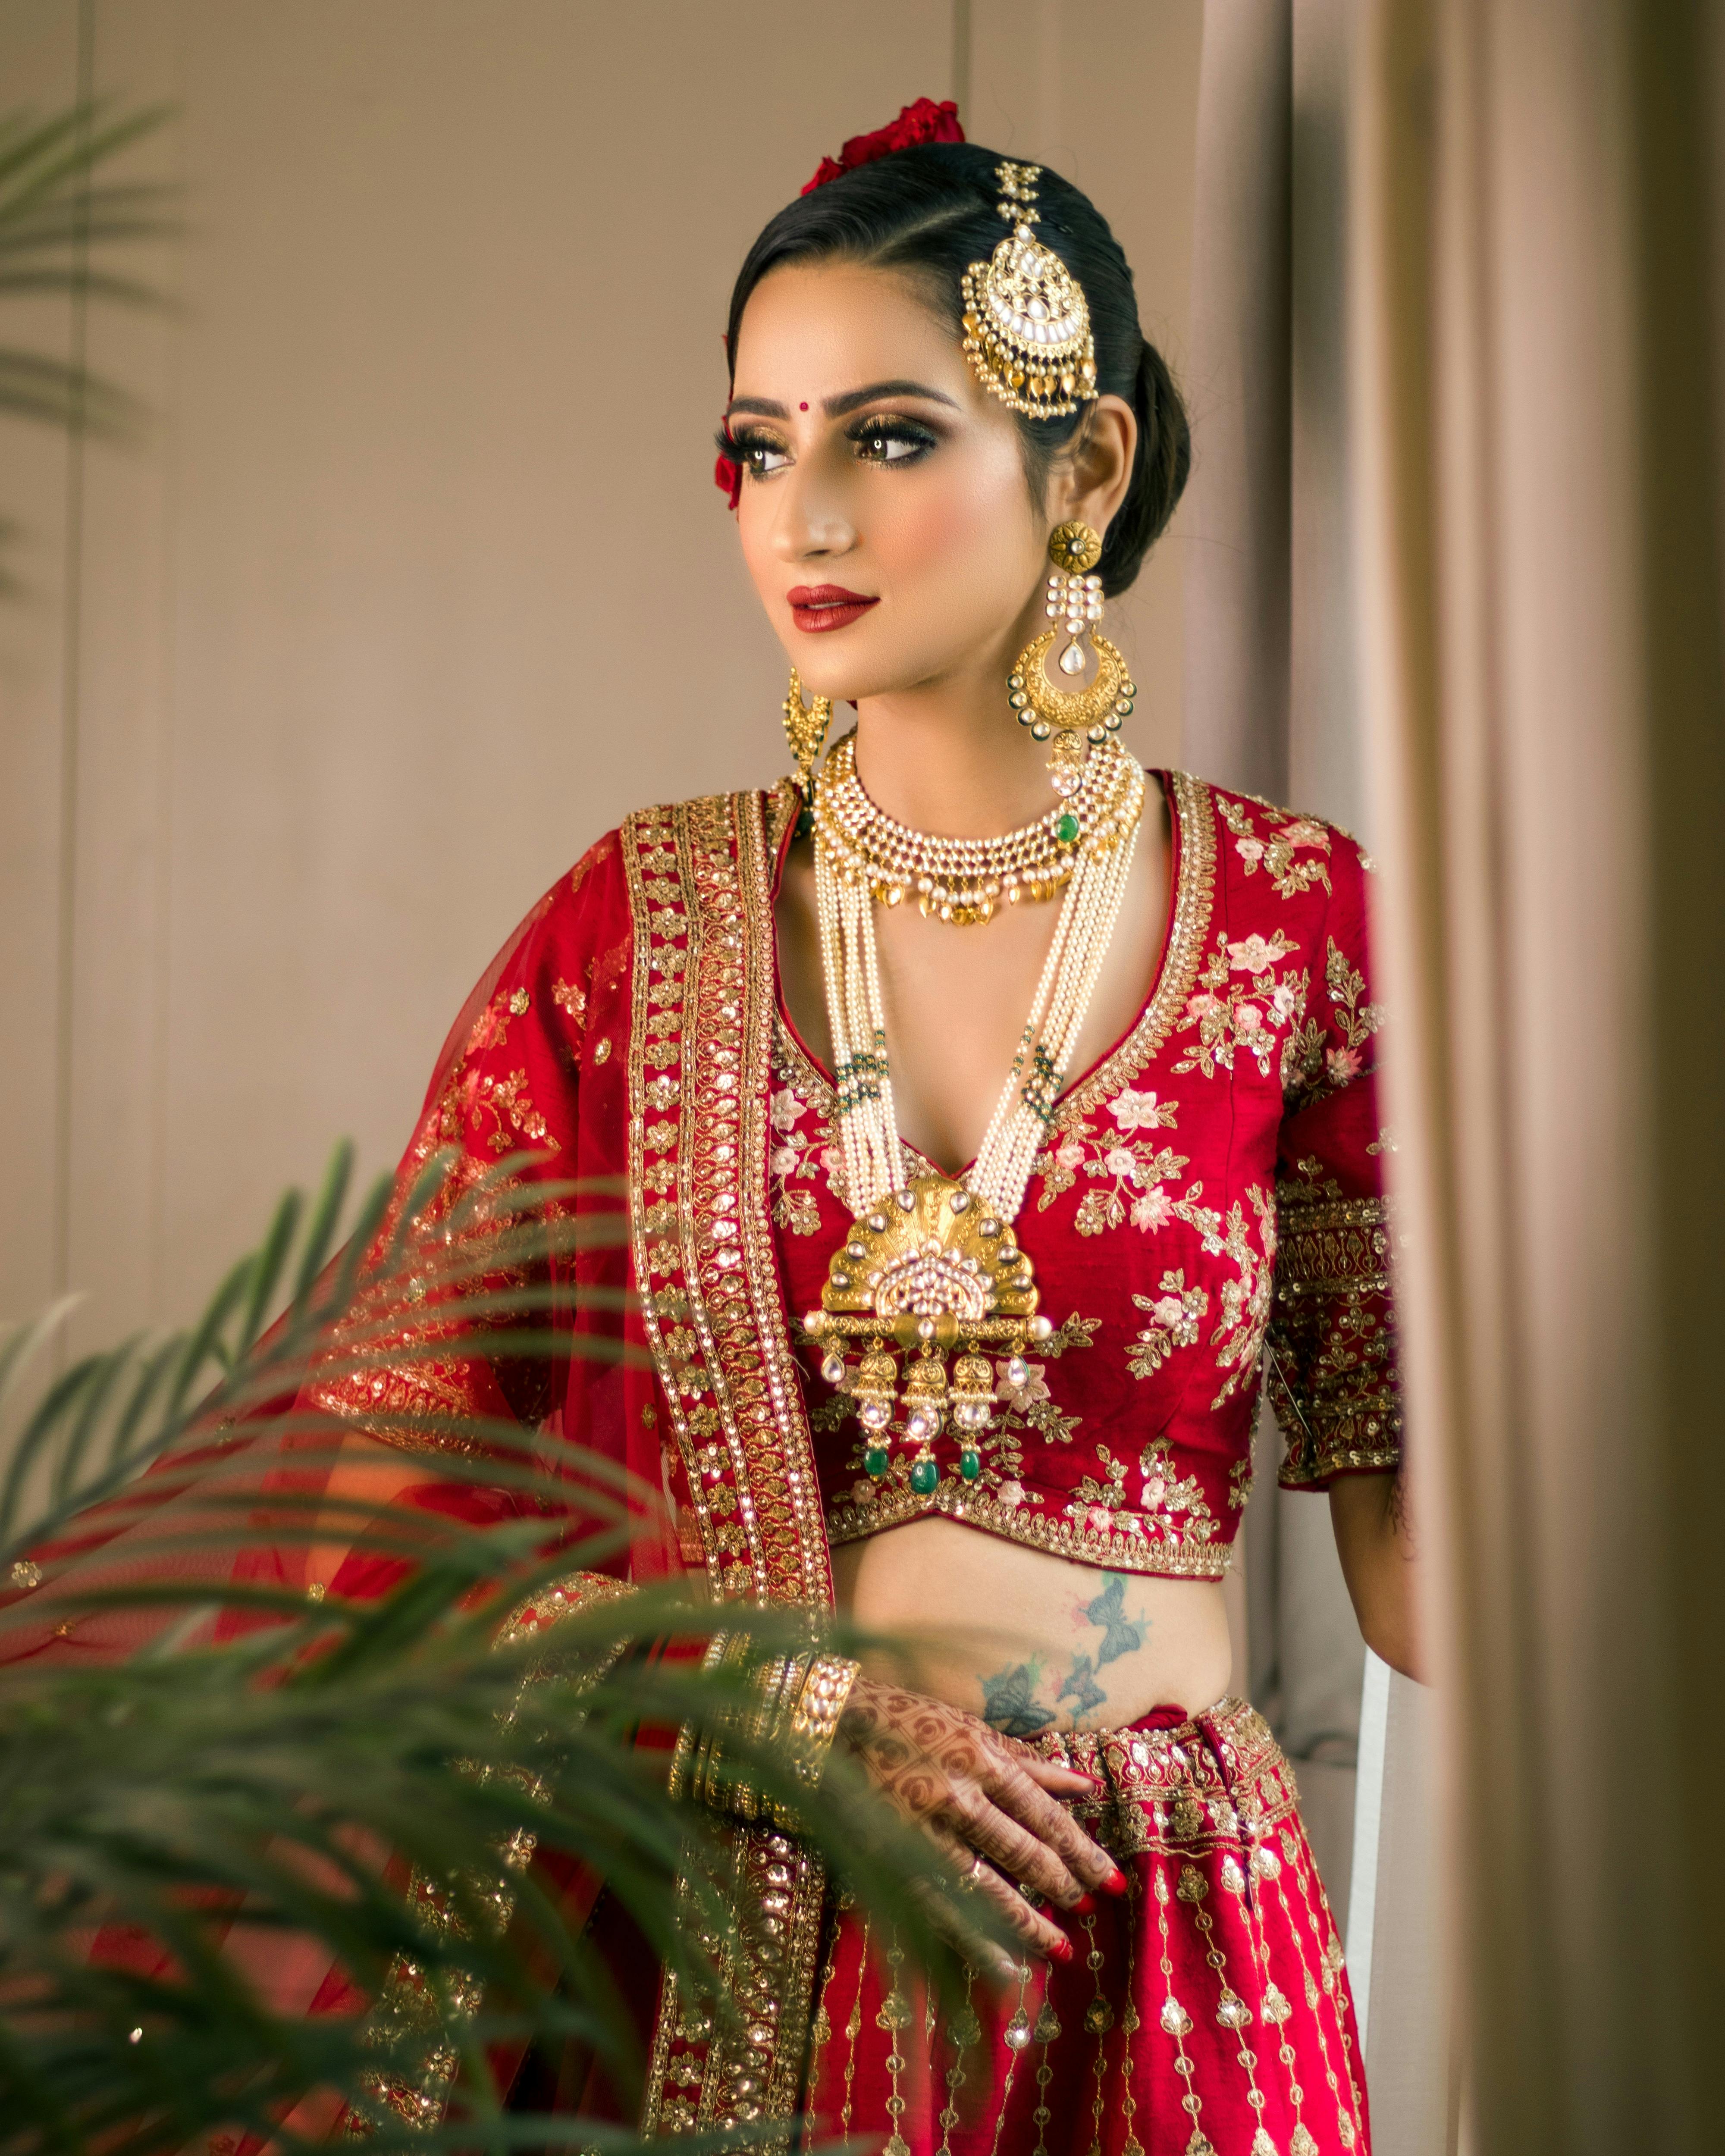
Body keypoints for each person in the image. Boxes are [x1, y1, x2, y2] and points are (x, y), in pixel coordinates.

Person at [9, 100, 1415, 2156]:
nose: (800, 516)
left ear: (1084, 463)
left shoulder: (1300, 925)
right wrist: (798, 1706)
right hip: (726, 1926)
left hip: (1165, 1943)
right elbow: (374, 1529)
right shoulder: (625, 932)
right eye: (758, 446)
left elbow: (1440, 1590)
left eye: (889, 437)